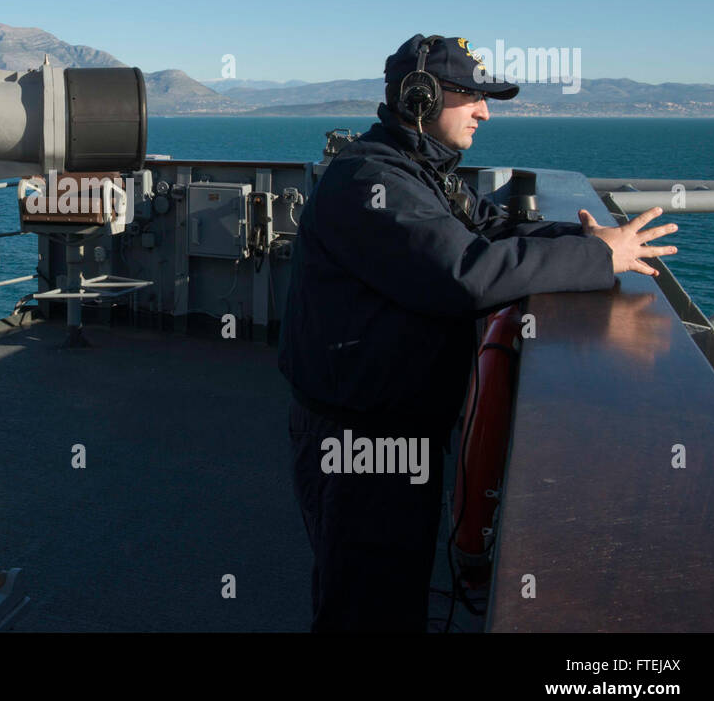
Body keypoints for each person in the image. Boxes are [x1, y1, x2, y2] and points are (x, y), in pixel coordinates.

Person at [277, 33, 678, 632]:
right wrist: (600, 262)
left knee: (385, 588)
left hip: (391, 422)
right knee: (367, 602)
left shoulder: (418, 170)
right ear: (419, 96)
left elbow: (487, 230)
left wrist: (588, 243)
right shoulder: (369, 181)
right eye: (471, 97)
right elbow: (463, 274)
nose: (485, 112)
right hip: (361, 436)